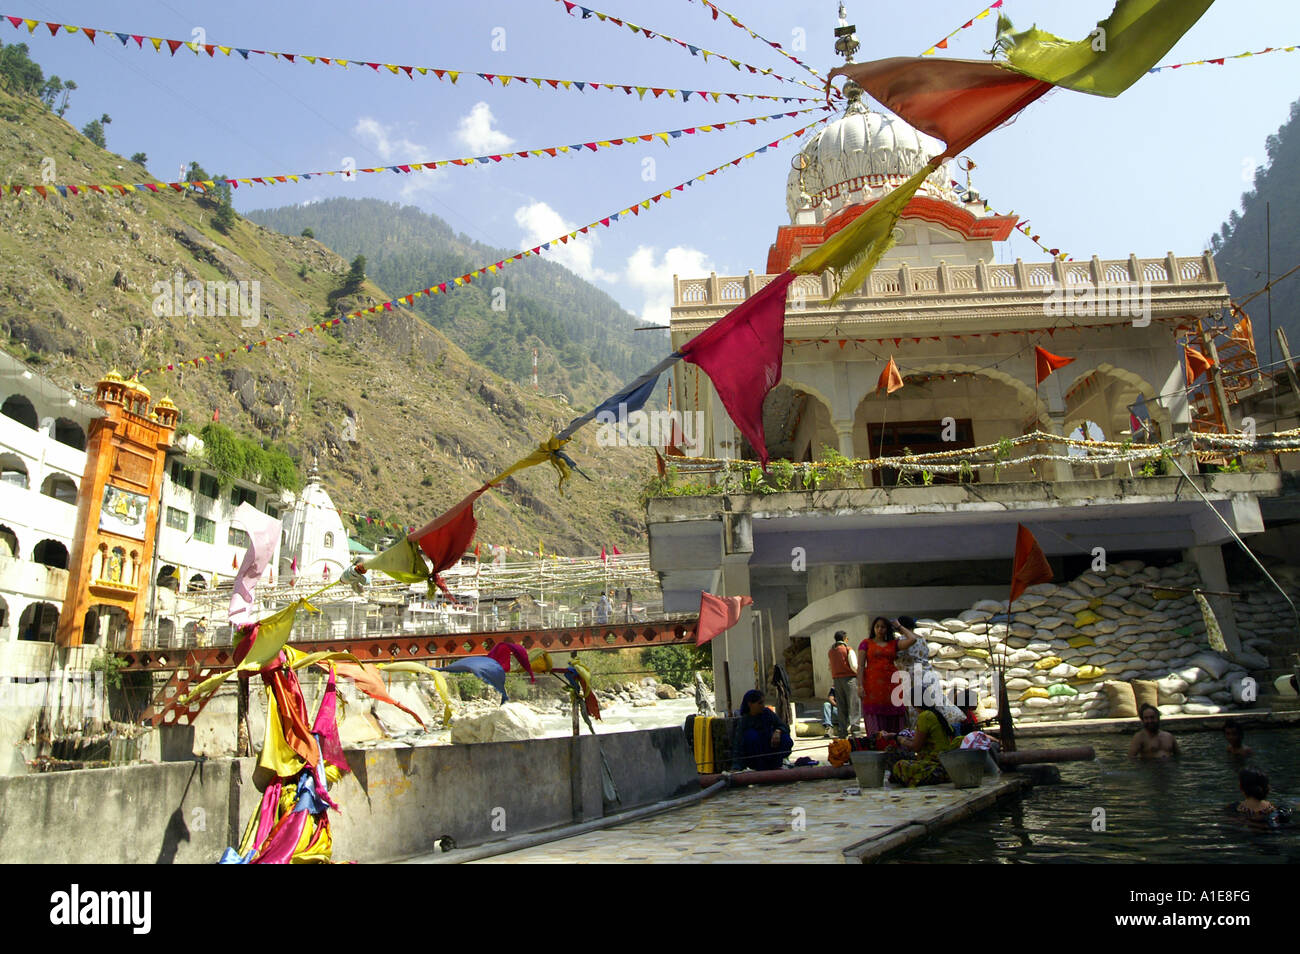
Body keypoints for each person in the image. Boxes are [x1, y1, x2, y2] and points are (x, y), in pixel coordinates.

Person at [858, 616, 915, 738]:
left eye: (883, 627)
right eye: (877, 626)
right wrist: (859, 685)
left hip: (892, 684)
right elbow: (861, 666)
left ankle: (894, 744)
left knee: (894, 714)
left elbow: (913, 639)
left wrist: (899, 626)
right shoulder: (866, 643)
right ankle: (877, 743)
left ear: (887, 629)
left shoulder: (893, 644)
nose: (879, 629)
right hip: (872, 685)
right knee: (874, 714)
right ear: (873, 628)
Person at [882, 703, 960, 786]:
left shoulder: (925, 716)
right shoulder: (935, 714)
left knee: (900, 765)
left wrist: (899, 738)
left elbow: (916, 747)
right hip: (943, 764)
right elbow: (918, 740)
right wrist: (895, 736)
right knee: (893, 752)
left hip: (937, 766)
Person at [732, 689, 793, 771]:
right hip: (756, 757)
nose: (763, 706)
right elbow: (738, 744)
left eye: (763, 703)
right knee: (751, 735)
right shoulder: (744, 721)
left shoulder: (767, 713)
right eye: (759, 703)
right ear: (750, 704)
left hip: (771, 749)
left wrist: (778, 731)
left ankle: (776, 763)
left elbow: (783, 726)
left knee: (785, 738)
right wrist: (736, 766)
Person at [827, 631, 855, 738]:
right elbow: (854, 665)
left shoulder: (831, 652)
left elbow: (830, 666)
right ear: (845, 639)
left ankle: (842, 732)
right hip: (849, 679)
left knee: (841, 707)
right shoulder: (848, 649)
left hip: (837, 680)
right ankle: (855, 731)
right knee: (853, 706)